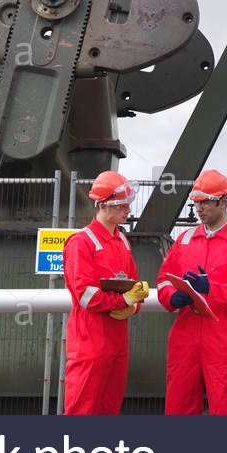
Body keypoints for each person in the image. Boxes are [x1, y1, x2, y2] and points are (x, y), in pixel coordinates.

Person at [156, 169, 227, 415]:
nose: (199, 209)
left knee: (226, 407)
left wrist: (210, 289)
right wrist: (172, 296)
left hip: (224, 339)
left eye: (205, 202)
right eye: (196, 203)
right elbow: (162, 280)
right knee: (178, 405)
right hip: (185, 335)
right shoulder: (184, 240)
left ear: (223, 201)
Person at [62, 170, 149, 415]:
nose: (128, 211)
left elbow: (133, 287)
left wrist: (133, 304)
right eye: (121, 205)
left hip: (116, 342)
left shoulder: (122, 241)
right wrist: (125, 300)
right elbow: (85, 296)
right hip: (90, 343)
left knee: (109, 408)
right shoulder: (82, 242)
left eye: (127, 205)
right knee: (83, 409)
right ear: (103, 205)